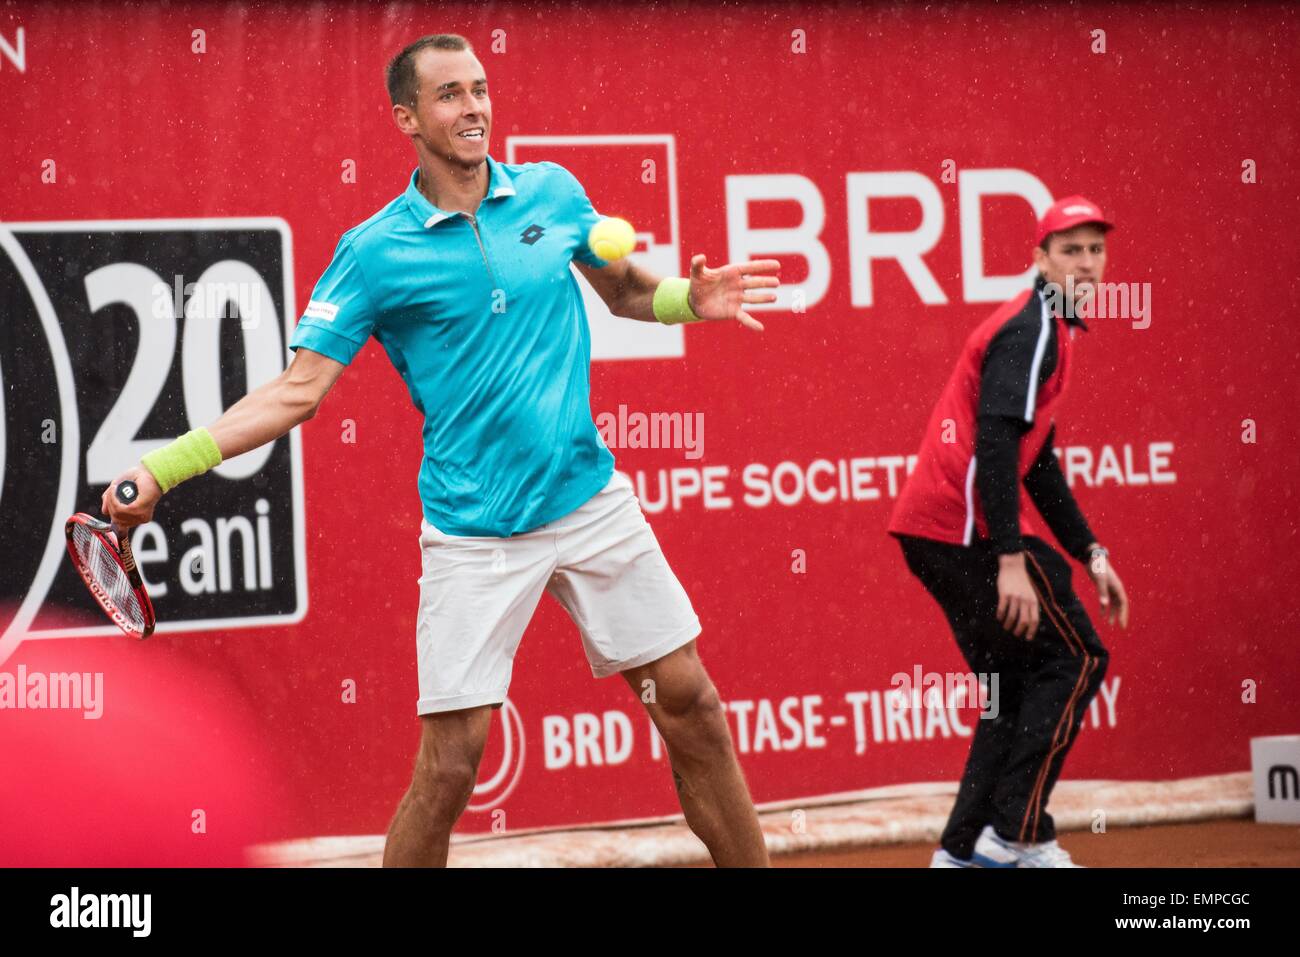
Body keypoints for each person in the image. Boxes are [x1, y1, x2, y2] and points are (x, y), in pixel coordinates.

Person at [104, 33, 781, 867]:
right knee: (452, 765)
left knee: (693, 705)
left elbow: (624, 288)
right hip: (474, 531)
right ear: (408, 118)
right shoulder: (374, 252)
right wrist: (163, 465)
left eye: (481, 89)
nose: (475, 109)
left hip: (589, 497)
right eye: (451, 95)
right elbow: (296, 390)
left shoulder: (553, 192)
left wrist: (687, 298)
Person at [887, 195, 1131, 868]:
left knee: (1012, 687)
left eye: (1095, 249)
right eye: (1070, 249)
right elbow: (995, 446)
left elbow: (1037, 459)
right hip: (961, 529)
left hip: (936, 531)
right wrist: (1011, 560)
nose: (1086, 262)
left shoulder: (1053, 327)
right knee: (1077, 657)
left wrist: (1090, 552)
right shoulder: (1033, 330)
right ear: (1039, 259)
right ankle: (1017, 834)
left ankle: (963, 852)